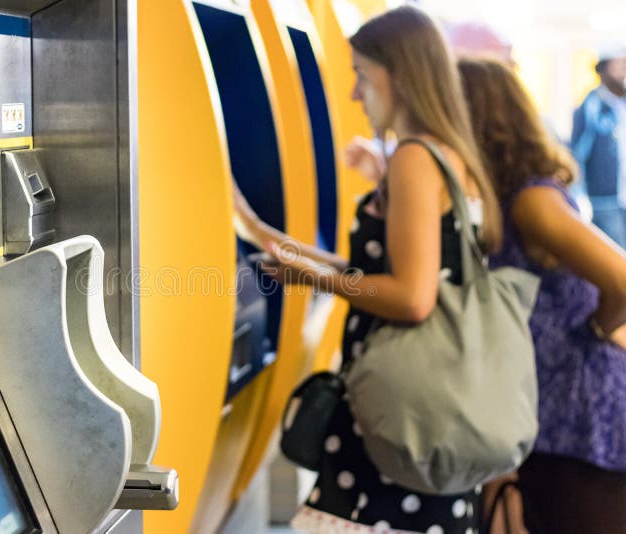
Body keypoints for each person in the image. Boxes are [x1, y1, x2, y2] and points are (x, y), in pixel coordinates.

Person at [233, 6, 501, 532]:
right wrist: (276, 240)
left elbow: (411, 296)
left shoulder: (414, 160)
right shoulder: (450, 154)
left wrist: (312, 278)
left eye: (361, 75)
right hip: (427, 407)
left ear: (398, 75)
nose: (355, 93)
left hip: (397, 413)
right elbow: (384, 267)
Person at [458, 57, 626, 534]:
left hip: (582, 416)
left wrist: (596, 327)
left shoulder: (532, 201)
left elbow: (622, 279)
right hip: (551, 416)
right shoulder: (507, 198)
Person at [570, 42, 626, 247]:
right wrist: (579, 194)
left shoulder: (621, 103)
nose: (623, 70)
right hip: (604, 200)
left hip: (623, 196)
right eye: (617, 64)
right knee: (616, 258)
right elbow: (578, 152)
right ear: (602, 69)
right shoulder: (592, 105)